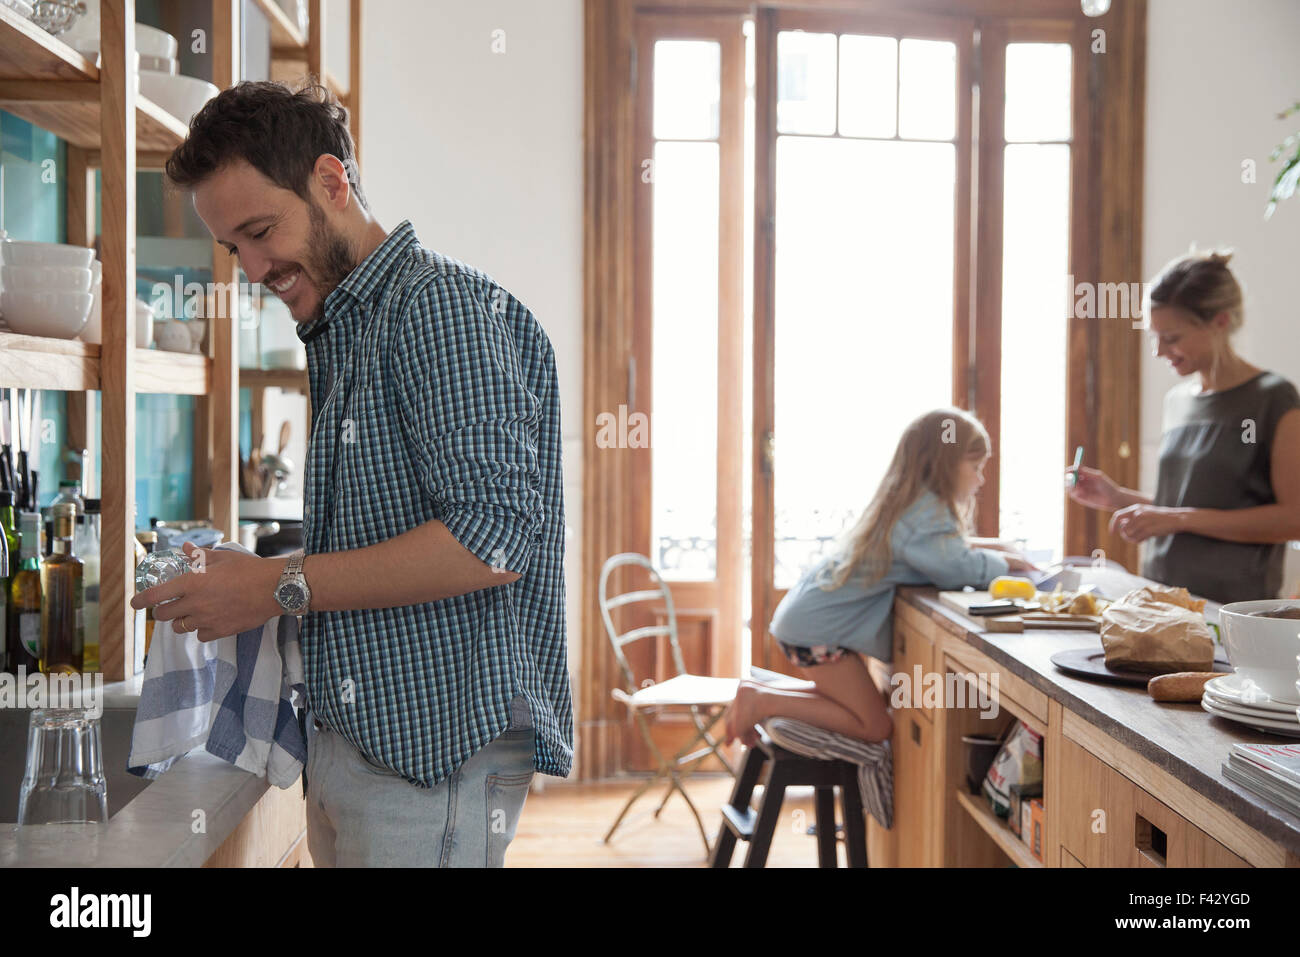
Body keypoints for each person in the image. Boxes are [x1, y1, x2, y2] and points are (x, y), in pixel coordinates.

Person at [131, 80, 572, 867]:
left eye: (262, 231)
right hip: (359, 747)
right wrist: (247, 576)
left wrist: (272, 584)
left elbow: (491, 540)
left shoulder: (438, 310)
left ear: (332, 183)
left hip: (430, 756)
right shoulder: (345, 325)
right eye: (235, 247)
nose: (254, 268)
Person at [724, 408, 1037, 747]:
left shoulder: (907, 505)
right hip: (818, 631)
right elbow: (955, 567)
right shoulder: (927, 512)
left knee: (864, 708)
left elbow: (946, 550)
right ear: (945, 465)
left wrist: (1000, 549)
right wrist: (1004, 564)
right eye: (975, 468)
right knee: (875, 725)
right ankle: (762, 700)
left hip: (810, 621)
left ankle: (760, 693)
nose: (981, 480)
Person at [1069, 250, 1300, 605]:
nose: (1159, 351)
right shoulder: (1177, 401)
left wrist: (1175, 519)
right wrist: (1118, 498)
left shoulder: (1273, 398)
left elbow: (1293, 519)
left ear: (1219, 322)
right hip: (1161, 598)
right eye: (1153, 336)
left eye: (1172, 338)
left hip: (1232, 612)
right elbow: (1190, 508)